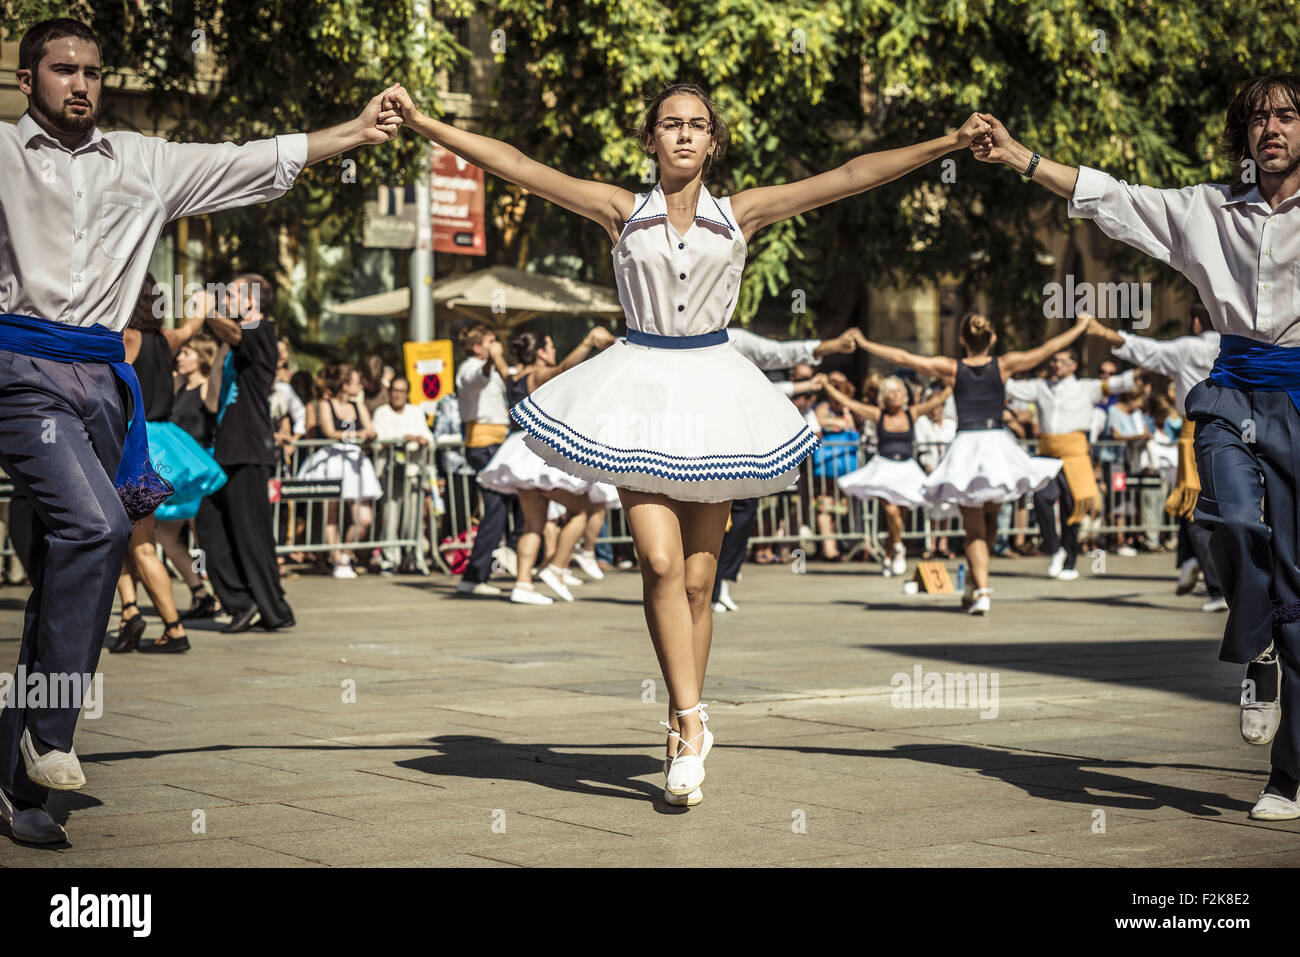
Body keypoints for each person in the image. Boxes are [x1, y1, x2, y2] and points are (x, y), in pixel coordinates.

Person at [386, 78, 991, 805]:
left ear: (712, 141)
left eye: (695, 125)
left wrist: (949, 143)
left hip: (714, 395)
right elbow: (517, 165)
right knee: (658, 558)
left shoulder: (741, 214)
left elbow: (850, 175)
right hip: (637, 391)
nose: (681, 134)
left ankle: (687, 719)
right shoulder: (621, 211)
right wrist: (424, 122)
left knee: (701, 581)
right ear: (650, 140)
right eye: (669, 124)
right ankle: (687, 719)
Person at [0, 17, 401, 845]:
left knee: (58, 574)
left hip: (103, 387)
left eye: (93, 72)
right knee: (98, 528)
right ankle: (53, 732)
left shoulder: (144, 162)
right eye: (62, 70)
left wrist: (353, 133)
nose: (80, 84)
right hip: (20, 369)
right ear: (26, 77)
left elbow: (244, 160)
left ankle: (18, 782)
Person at [972, 74, 1300, 821]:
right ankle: (1258, 652)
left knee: (1299, 592)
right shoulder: (1207, 209)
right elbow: (1114, 199)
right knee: (1226, 517)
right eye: (1256, 118)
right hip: (1232, 392)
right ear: (1241, 135)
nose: (1270, 128)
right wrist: (1022, 156)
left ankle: (1288, 775)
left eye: (1285, 115)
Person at [851, 314, 1090, 614]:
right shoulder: (1003, 365)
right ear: (991, 339)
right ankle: (981, 588)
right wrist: (1080, 327)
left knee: (976, 527)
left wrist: (864, 343)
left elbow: (905, 358)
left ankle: (978, 588)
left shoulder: (953, 368)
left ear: (963, 340)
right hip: (996, 446)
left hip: (968, 446)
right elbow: (1044, 349)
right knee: (987, 522)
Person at [110, 280, 225, 654]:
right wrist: (204, 304)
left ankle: (174, 629)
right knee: (124, 538)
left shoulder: (125, 339)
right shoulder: (167, 340)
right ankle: (130, 613)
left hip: (134, 445)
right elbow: (193, 326)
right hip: (164, 444)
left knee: (139, 543)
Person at [1087, 308, 1226, 611]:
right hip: (1236, 433)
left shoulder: (1191, 347)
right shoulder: (1240, 344)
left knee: (1194, 508)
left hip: (1197, 434)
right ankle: (1189, 560)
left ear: (1197, 321)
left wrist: (1102, 331)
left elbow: (1146, 350)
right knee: (1200, 502)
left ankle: (1217, 587)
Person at [475, 328, 616, 604]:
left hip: (516, 452)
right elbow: (564, 367)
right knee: (582, 509)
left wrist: (496, 354)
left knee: (533, 523)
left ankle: (523, 584)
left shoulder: (512, 376)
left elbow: (503, 367)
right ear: (540, 352)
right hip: (534, 450)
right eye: (550, 347)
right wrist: (586, 342)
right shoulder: (537, 375)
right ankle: (556, 567)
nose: (553, 352)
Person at [1003, 340, 1134, 581]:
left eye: (1061, 361)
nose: (1056, 365)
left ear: (1073, 366)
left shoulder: (1086, 388)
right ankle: (1055, 549)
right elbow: (1009, 386)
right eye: (1053, 360)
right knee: (1042, 498)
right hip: (1048, 454)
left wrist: (1142, 367)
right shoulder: (1040, 386)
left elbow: (1118, 383)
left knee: (1072, 508)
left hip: (1075, 455)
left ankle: (1070, 561)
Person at [831, 376, 952, 576]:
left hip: (906, 469)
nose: (896, 396)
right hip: (884, 468)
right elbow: (849, 403)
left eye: (899, 392)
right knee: (891, 511)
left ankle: (889, 554)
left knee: (898, 519)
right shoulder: (879, 415)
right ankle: (898, 549)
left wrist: (950, 385)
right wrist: (827, 386)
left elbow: (936, 401)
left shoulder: (911, 413)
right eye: (891, 393)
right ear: (884, 397)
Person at [155, 334, 224, 618]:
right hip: (179, 471)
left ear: (202, 358)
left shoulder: (207, 386)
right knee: (164, 534)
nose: (180, 357)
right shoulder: (177, 385)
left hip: (200, 470)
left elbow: (214, 405)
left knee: (203, 534)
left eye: (187, 353)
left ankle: (223, 593)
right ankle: (199, 592)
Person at [454, 323, 522, 596]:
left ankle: (511, 553)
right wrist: (493, 359)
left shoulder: (492, 370)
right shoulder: (469, 367)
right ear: (477, 346)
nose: (496, 345)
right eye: (491, 341)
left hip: (498, 441)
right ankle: (476, 574)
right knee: (496, 507)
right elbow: (477, 378)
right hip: (482, 443)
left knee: (519, 496)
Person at [296, 363, 382, 578]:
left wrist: (364, 434)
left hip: (354, 462)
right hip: (332, 460)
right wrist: (356, 435)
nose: (360, 385)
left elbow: (370, 429)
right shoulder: (326, 404)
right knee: (330, 514)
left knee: (363, 517)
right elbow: (329, 431)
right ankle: (336, 558)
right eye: (356, 382)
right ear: (345, 384)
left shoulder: (358, 406)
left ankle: (346, 554)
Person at [372, 376, 435, 575]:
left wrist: (420, 439)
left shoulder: (416, 412)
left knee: (414, 520)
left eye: (402, 391)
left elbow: (429, 439)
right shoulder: (381, 413)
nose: (398, 395)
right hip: (389, 473)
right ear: (390, 392)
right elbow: (376, 441)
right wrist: (397, 441)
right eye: (395, 390)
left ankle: (414, 559)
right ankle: (389, 560)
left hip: (412, 472)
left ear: (407, 393)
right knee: (390, 518)